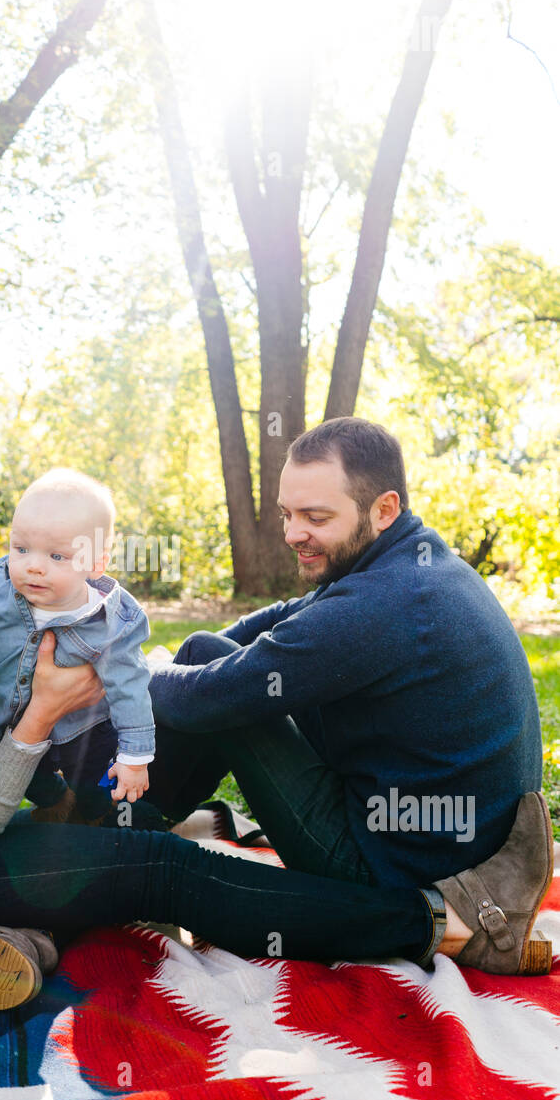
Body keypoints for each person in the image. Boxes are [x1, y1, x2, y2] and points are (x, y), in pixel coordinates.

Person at [0, 459, 551, 1016]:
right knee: (156, 870)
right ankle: (444, 924)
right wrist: (45, 718)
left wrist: (70, 711)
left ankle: (16, 933)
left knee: (158, 741)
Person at [145, 416, 553, 975]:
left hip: (402, 870)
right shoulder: (407, 562)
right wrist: (181, 660)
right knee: (203, 651)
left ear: (383, 509)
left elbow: (204, 698)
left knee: (217, 692)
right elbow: (287, 620)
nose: (292, 533)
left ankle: (117, 834)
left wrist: (136, 672)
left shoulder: (388, 602)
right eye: (288, 514)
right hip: (436, 839)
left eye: (316, 517)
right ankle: (130, 820)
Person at [0, 468, 155, 821]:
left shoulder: (111, 620)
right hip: (11, 723)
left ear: (95, 563)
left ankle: (97, 815)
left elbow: (130, 688)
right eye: (22, 548)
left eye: (56, 556)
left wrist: (134, 756)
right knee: (29, 782)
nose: (33, 567)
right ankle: (56, 800)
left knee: (93, 788)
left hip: (84, 731)